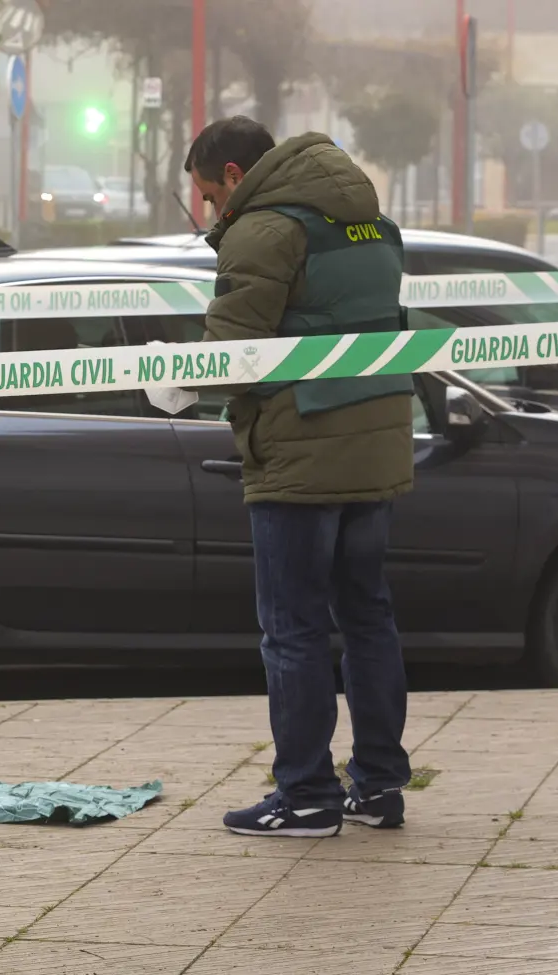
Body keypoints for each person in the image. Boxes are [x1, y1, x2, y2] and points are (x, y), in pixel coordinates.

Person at [184, 116, 415, 839]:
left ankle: (307, 794)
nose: (209, 213)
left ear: (231, 176)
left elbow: (231, 355)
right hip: (376, 448)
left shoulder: (264, 230)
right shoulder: (373, 227)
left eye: (205, 197)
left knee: (294, 630)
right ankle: (378, 786)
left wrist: (174, 380)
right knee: (369, 617)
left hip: (300, 450)